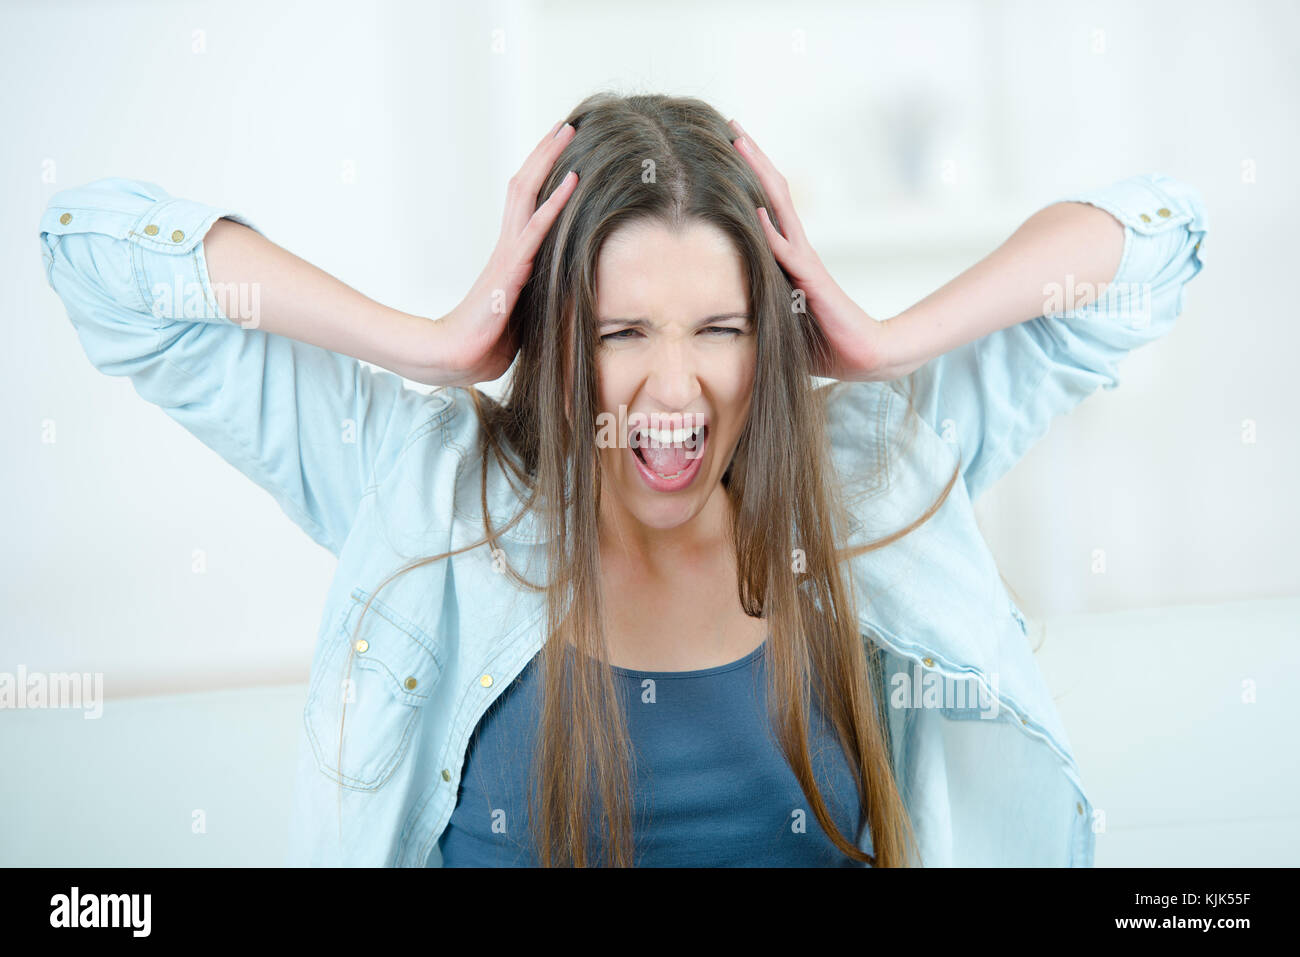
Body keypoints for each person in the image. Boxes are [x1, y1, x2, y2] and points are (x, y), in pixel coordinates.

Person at [38, 91, 1208, 867]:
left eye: (720, 328)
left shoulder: (861, 481)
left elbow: (1154, 249)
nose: (674, 388)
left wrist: (888, 340)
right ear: (552, 338)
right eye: (618, 334)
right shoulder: (428, 490)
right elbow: (92, 252)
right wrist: (434, 342)